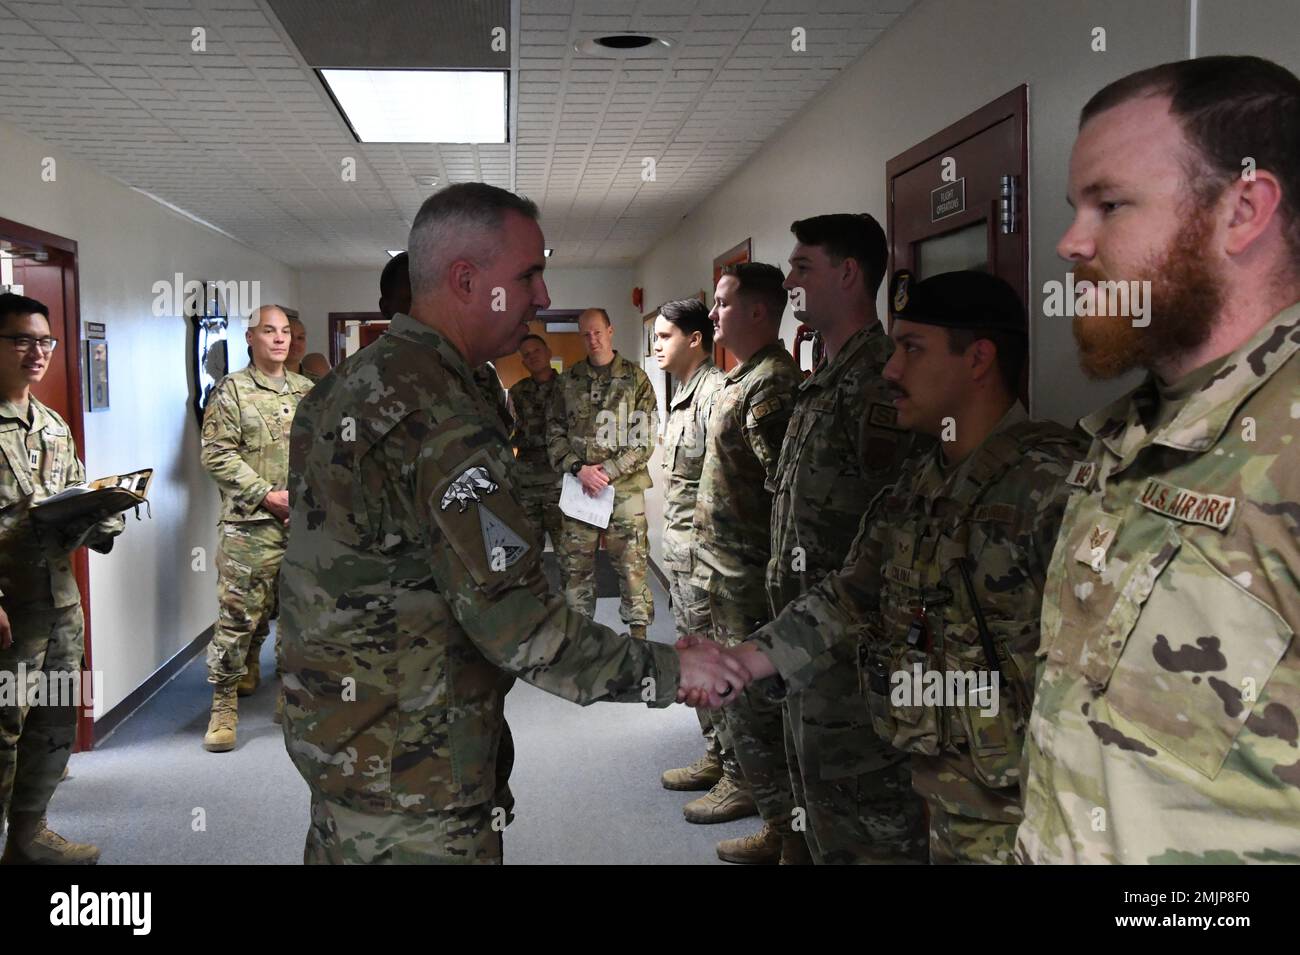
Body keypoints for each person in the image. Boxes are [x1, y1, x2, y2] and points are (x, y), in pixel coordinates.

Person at [277, 182, 750, 864]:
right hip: (413, 771)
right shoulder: (437, 414)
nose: (541, 295)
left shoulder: (341, 389)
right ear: (465, 280)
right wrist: (675, 670)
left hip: (343, 741)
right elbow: (524, 625)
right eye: (528, 274)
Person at [1015, 55, 1300, 864]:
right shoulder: (1126, 435)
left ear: (1241, 209)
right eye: (1075, 208)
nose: (1071, 243)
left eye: (1109, 204)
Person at [757, 213, 930, 864]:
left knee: (863, 836)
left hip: (852, 672)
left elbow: (901, 533)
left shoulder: (879, 384)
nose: (788, 281)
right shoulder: (822, 379)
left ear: (848, 274)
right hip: (804, 652)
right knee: (812, 829)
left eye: (802, 268)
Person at [0, 292, 125, 864]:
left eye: (44, 341)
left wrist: (102, 513)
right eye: (22, 339)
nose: (37, 351)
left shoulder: (51, 424)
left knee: (50, 727)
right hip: (8, 614)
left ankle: (28, 836)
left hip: (58, 605)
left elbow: (69, 496)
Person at [688, 263, 803, 861]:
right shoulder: (742, 379)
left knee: (759, 708)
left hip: (751, 579)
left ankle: (788, 836)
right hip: (721, 572)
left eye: (724, 303)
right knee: (738, 705)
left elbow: (785, 493)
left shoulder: (773, 386)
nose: (713, 315)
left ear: (759, 312)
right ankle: (773, 816)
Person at [199, 304, 313, 752]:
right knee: (237, 619)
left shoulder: (308, 391)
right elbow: (217, 455)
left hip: (303, 526)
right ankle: (224, 704)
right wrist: (266, 494)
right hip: (250, 527)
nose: (280, 339)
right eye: (269, 331)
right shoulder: (231, 392)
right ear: (251, 338)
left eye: (286, 331)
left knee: (299, 617)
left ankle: (291, 694)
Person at [651, 299, 731, 794]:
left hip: (704, 564)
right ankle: (716, 757)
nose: (656, 345)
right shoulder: (683, 393)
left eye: (665, 336)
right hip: (682, 560)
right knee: (693, 658)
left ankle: (739, 775)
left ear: (695, 339)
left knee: (714, 662)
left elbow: (724, 492)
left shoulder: (714, 395)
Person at [546, 308, 658, 638]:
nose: (592, 339)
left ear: (610, 330)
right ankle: (582, 643)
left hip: (622, 489)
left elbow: (645, 439)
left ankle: (639, 643)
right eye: (585, 334)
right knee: (575, 569)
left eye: (598, 332)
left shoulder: (636, 379)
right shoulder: (567, 381)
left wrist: (606, 472)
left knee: (632, 567)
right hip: (580, 488)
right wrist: (579, 468)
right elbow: (553, 432)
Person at [382, 251, 511, 431]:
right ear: (386, 308)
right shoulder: (361, 374)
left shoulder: (479, 371)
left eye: (432, 300)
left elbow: (502, 429)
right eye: (410, 301)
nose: (423, 311)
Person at [506, 334, 565, 575]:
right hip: (528, 480)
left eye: (536, 351)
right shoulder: (517, 393)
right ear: (523, 362)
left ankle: (570, 605)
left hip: (561, 481)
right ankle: (535, 603)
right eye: (526, 354)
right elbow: (508, 429)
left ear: (548, 352)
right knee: (529, 549)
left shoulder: (569, 387)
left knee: (568, 551)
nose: (532, 357)